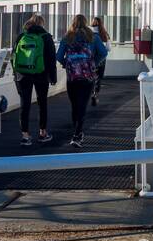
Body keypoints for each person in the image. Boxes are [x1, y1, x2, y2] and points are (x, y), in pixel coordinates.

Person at [56, 14, 107, 147]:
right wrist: (94, 64)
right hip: (87, 77)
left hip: (72, 77)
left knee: (74, 106)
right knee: (82, 106)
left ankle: (77, 132)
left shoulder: (67, 37)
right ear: (86, 23)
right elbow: (103, 53)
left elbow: (59, 55)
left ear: (73, 23)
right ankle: (78, 135)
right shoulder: (93, 37)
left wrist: (66, 63)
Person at [12, 13, 57, 147]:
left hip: (23, 74)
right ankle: (42, 133)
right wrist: (53, 77)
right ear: (42, 24)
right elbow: (51, 59)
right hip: (41, 74)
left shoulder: (21, 36)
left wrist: (16, 75)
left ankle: (25, 136)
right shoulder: (46, 37)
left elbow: (13, 56)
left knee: (24, 104)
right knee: (42, 103)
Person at [90, 16, 110, 106]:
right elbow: (108, 48)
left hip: (90, 58)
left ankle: (90, 92)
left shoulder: (88, 32)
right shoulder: (104, 34)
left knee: (90, 76)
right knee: (98, 77)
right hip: (101, 59)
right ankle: (95, 93)